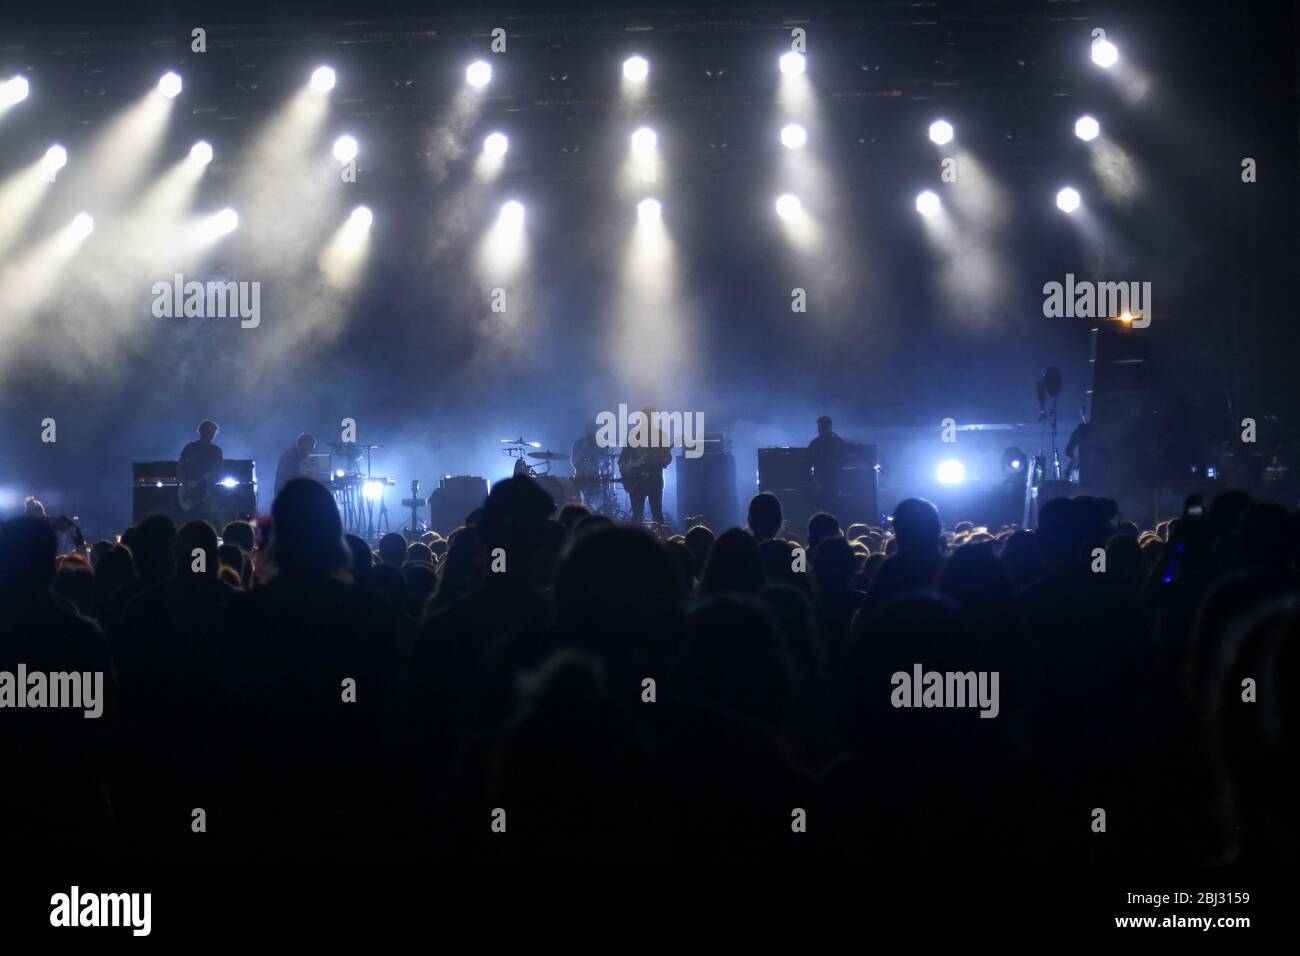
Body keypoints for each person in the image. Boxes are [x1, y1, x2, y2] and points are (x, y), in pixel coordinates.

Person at [618, 406, 673, 526]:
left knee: (657, 515)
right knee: (637, 517)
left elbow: (668, 458)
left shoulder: (660, 435)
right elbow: (622, 460)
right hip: (636, 481)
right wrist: (632, 467)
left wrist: (657, 460)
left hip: (654, 481)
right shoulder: (632, 435)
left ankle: (660, 542)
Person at [808, 415, 846, 514]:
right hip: (820, 483)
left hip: (833, 483)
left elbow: (841, 462)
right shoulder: (815, 443)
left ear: (829, 427)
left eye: (822, 426)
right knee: (820, 509)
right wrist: (814, 479)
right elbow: (808, 461)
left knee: (833, 510)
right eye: (819, 427)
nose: (819, 429)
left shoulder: (837, 442)